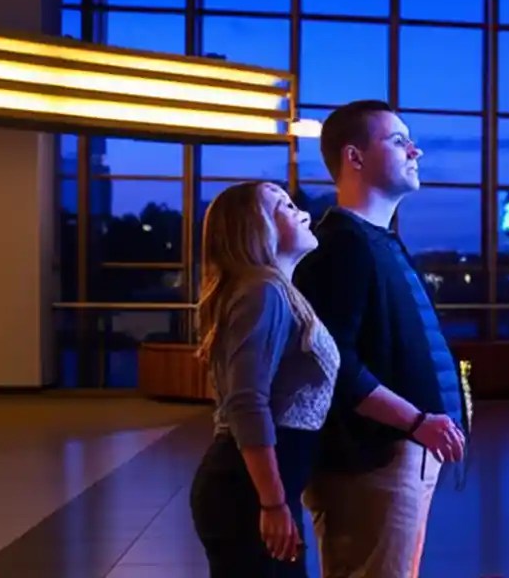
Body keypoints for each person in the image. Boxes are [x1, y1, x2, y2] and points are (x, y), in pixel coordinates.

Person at [294, 100, 466, 578]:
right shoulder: (343, 246)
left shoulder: (376, 241)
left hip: (402, 454)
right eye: (397, 140)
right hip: (373, 461)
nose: (416, 150)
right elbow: (334, 363)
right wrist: (416, 421)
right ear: (354, 158)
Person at [189, 181, 341, 578]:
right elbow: (245, 401)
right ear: (256, 229)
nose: (304, 213)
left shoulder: (275, 290)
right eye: (286, 207)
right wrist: (272, 502)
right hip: (249, 490)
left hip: (259, 485)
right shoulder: (263, 291)